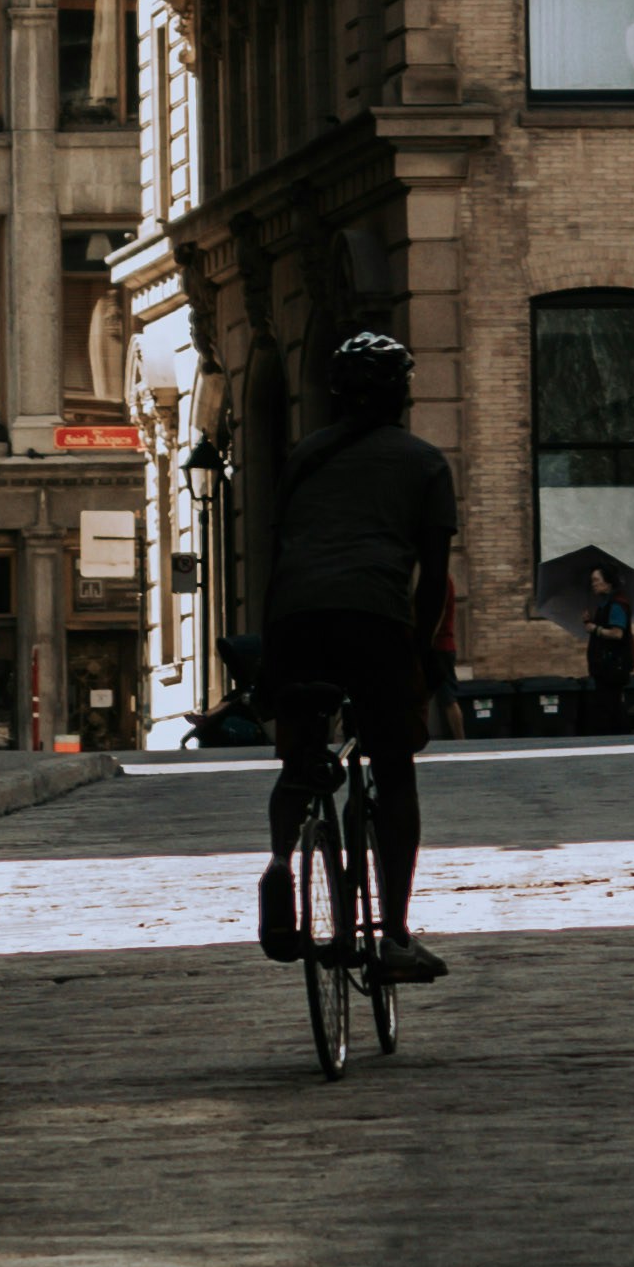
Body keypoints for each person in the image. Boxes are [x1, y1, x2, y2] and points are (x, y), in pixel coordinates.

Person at [255, 332, 458, 978]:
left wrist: (271, 653)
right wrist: (421, 656)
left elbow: (280, 557)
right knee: (394, 770)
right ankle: (393, 936)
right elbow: (432, 579)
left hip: (296, 621)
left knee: (300, 758)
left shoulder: (304, 457)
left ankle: (282, 866)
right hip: (374, 620)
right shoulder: (426, 465)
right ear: (403, 391)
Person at [581, 554, 634, 734]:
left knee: (610, 705)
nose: (593, 584)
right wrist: (588, 623)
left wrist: (594, 629)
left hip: (613, 666)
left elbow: (617, 633)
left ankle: (619, 737)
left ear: (608, 582)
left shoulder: (617, 604)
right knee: (608, 705)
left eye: (596, 580)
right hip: (604, 666)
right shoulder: (604, 604)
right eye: (592, 580)